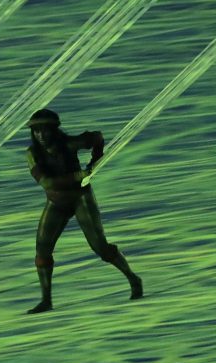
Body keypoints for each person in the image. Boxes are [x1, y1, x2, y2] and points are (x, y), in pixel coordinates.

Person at [25, 108, 142, 313]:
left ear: (54, 130)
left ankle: (133, 278)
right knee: (42, 250)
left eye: (45, 130)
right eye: (37, 131)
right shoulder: (33, 153)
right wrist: (81, 174)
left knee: (100, 246)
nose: (41, 135)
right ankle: (46, 299)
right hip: (57, 201)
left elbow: (97, 137)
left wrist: (96, 160)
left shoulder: (68, 144)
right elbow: (47, 182)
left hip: (81, 198)